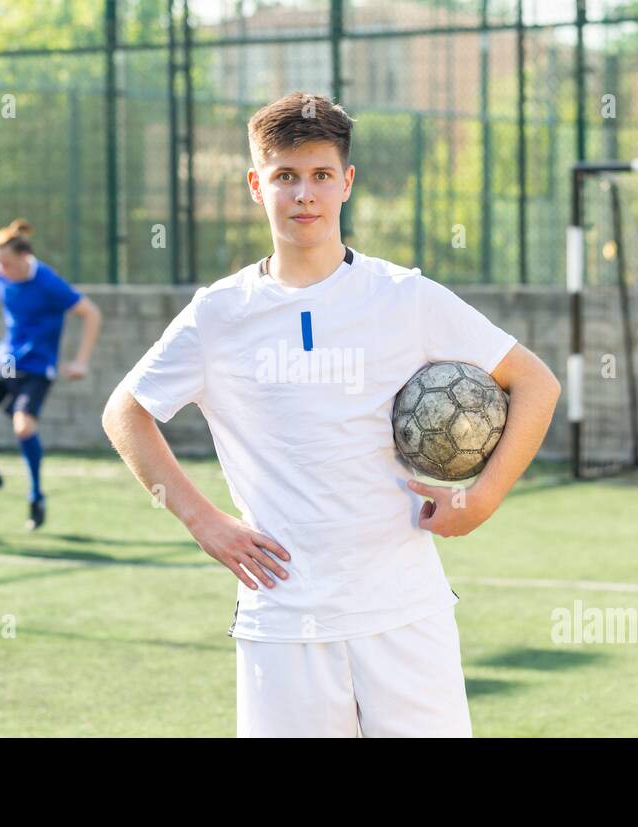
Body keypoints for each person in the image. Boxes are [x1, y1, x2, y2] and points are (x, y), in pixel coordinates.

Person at [102, 92, 561, 737]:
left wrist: (482, 499)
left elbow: (536, 384)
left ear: (346, 183)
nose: (303, 195)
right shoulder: (219, 314)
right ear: (255, 186)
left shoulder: (405, 297)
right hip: (283, 621)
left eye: (320, 175)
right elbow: (125, 412)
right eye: (285, 176)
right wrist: (203, 521)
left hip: (405, 613)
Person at [0, 219, 102, 531]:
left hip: (36, 367)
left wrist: (81, 361)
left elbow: (91, 313)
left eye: (5, 263)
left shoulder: (48, 282)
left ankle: (36, 493)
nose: (0, 269)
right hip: (3, 360)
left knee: (23, 428)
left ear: (24, 257)